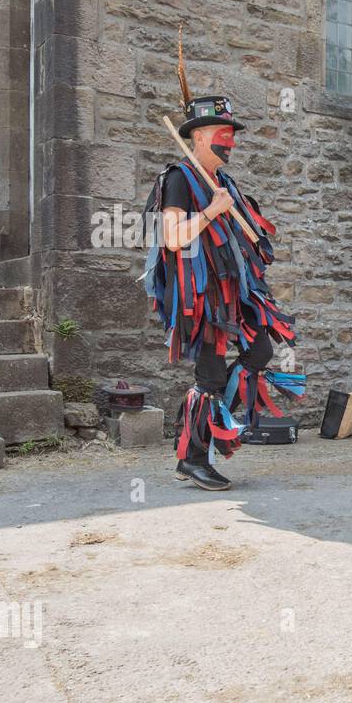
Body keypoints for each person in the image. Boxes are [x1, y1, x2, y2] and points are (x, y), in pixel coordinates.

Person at [141, 33, 302, 491]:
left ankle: (213, 417)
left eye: (230, 136)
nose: (229, 143)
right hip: (204, 297)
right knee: (209, 372)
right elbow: (172, 239)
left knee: (260, 351)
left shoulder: (222, 181)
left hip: (236, 292)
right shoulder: (179, 179)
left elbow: (242, 237)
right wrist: (209, 211)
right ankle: (192, 455)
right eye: (221, 135)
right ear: (199, 138)